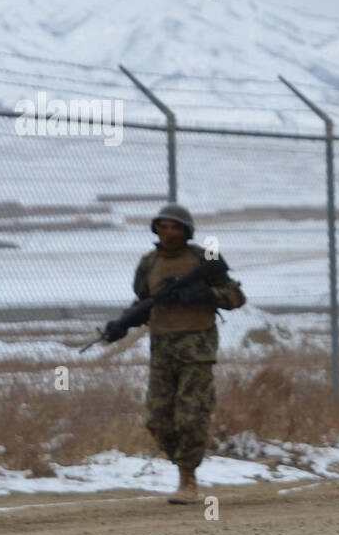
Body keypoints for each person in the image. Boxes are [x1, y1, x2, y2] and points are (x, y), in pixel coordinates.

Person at [104, 203, 246, 504]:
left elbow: (236, 296)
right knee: (158, 419)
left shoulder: (204, 258)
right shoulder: (149, 264)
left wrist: (204, 294)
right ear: (156, 229)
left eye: (175, 227)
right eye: (164, 227)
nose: (169, 232)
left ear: (187, 230)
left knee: (191, 417)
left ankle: (188, 480)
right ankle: (183, 462)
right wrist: (121, 325)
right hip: (163, 350)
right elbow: (145, 303)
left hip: (197, 350)